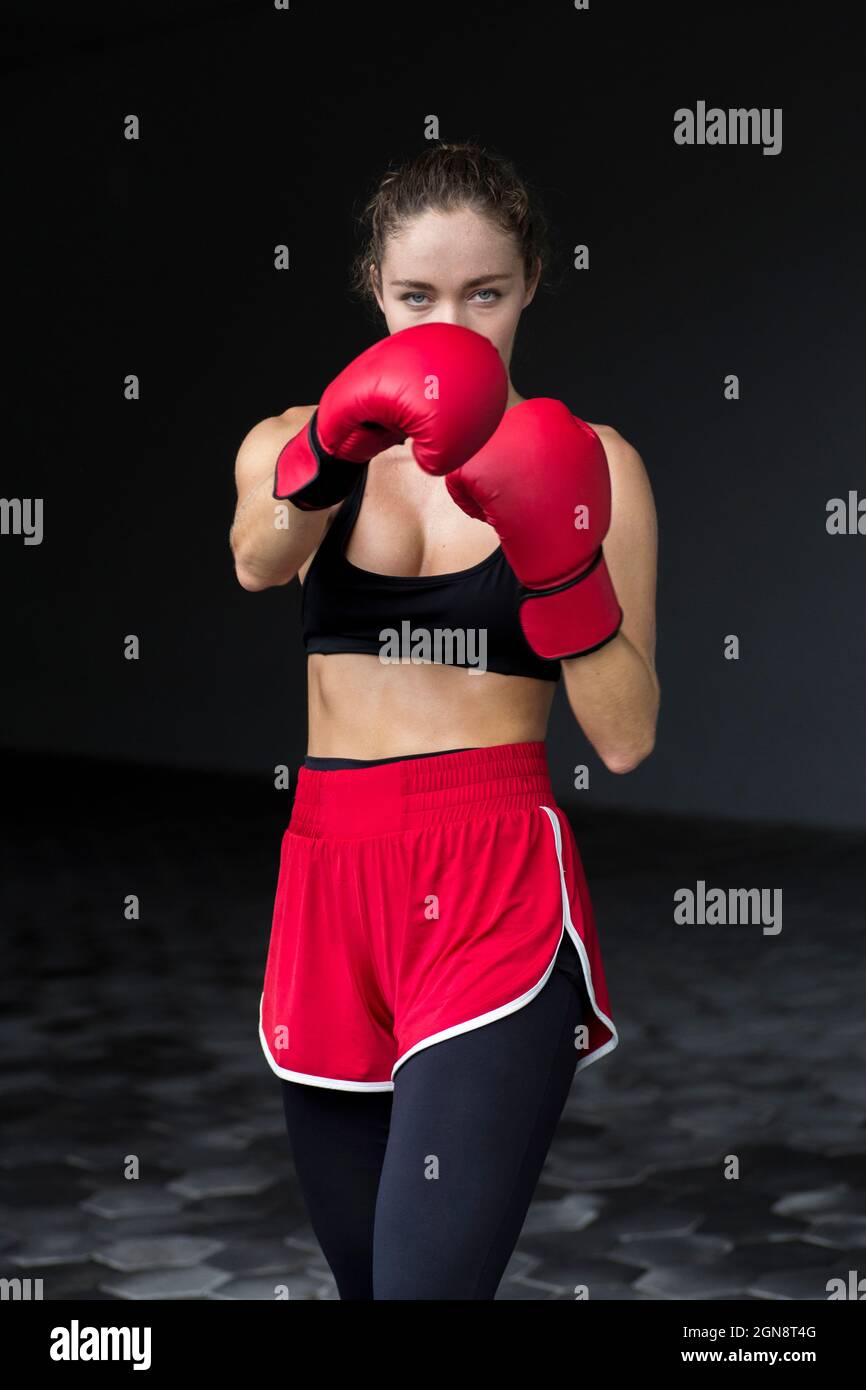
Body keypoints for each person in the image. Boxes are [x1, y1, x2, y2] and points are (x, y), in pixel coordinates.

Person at [230, 142, 659, 1300]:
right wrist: (328, 444)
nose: (451, 324)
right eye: (416, 296)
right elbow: (256, 562)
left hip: (488, 882)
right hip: (329, 882)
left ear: (530, 285)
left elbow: (623, 733)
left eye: (486, 293)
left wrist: (560, 559)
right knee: (368, 1284)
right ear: (374, 285)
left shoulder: (593, 465)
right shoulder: (291, 437)